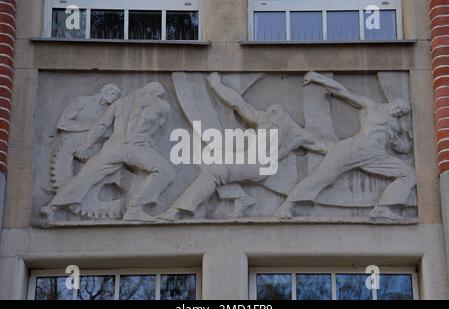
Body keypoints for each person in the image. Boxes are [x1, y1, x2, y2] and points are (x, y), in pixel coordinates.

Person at [152, 72, 327, 222]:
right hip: (252, 162)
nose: (269, 110)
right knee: (209, 161)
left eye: (273, 110)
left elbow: (237, 103)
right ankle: (242, 198)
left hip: (256, 165)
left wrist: (216, 85)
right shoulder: (293, 131)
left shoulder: (273, 124)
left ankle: (177, 211)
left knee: (214, 172)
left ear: (278, 113)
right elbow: (323, 147)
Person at [275, 71, 416, 220]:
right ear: (393, 102)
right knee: (322, 177)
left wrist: (402, 148)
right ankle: (288, 205)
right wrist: (318, 78)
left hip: (376, 156)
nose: (400, 111)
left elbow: (402, 148)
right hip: (353, 149)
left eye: (403, 112)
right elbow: (343, 93)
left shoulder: (396, 125)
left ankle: (382, 209)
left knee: (408, 173)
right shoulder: (372, 106)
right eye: (399, 107)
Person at [42, 82, 175, 221]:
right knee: (165, 171)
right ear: (157, 94)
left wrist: (86, 145)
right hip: (137, 145)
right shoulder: (161, 105)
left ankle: (52, 207)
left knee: (86, 176)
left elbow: (102, 125)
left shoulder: (120, 102)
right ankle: (135, 210)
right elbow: (156, 126)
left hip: (113, 146)